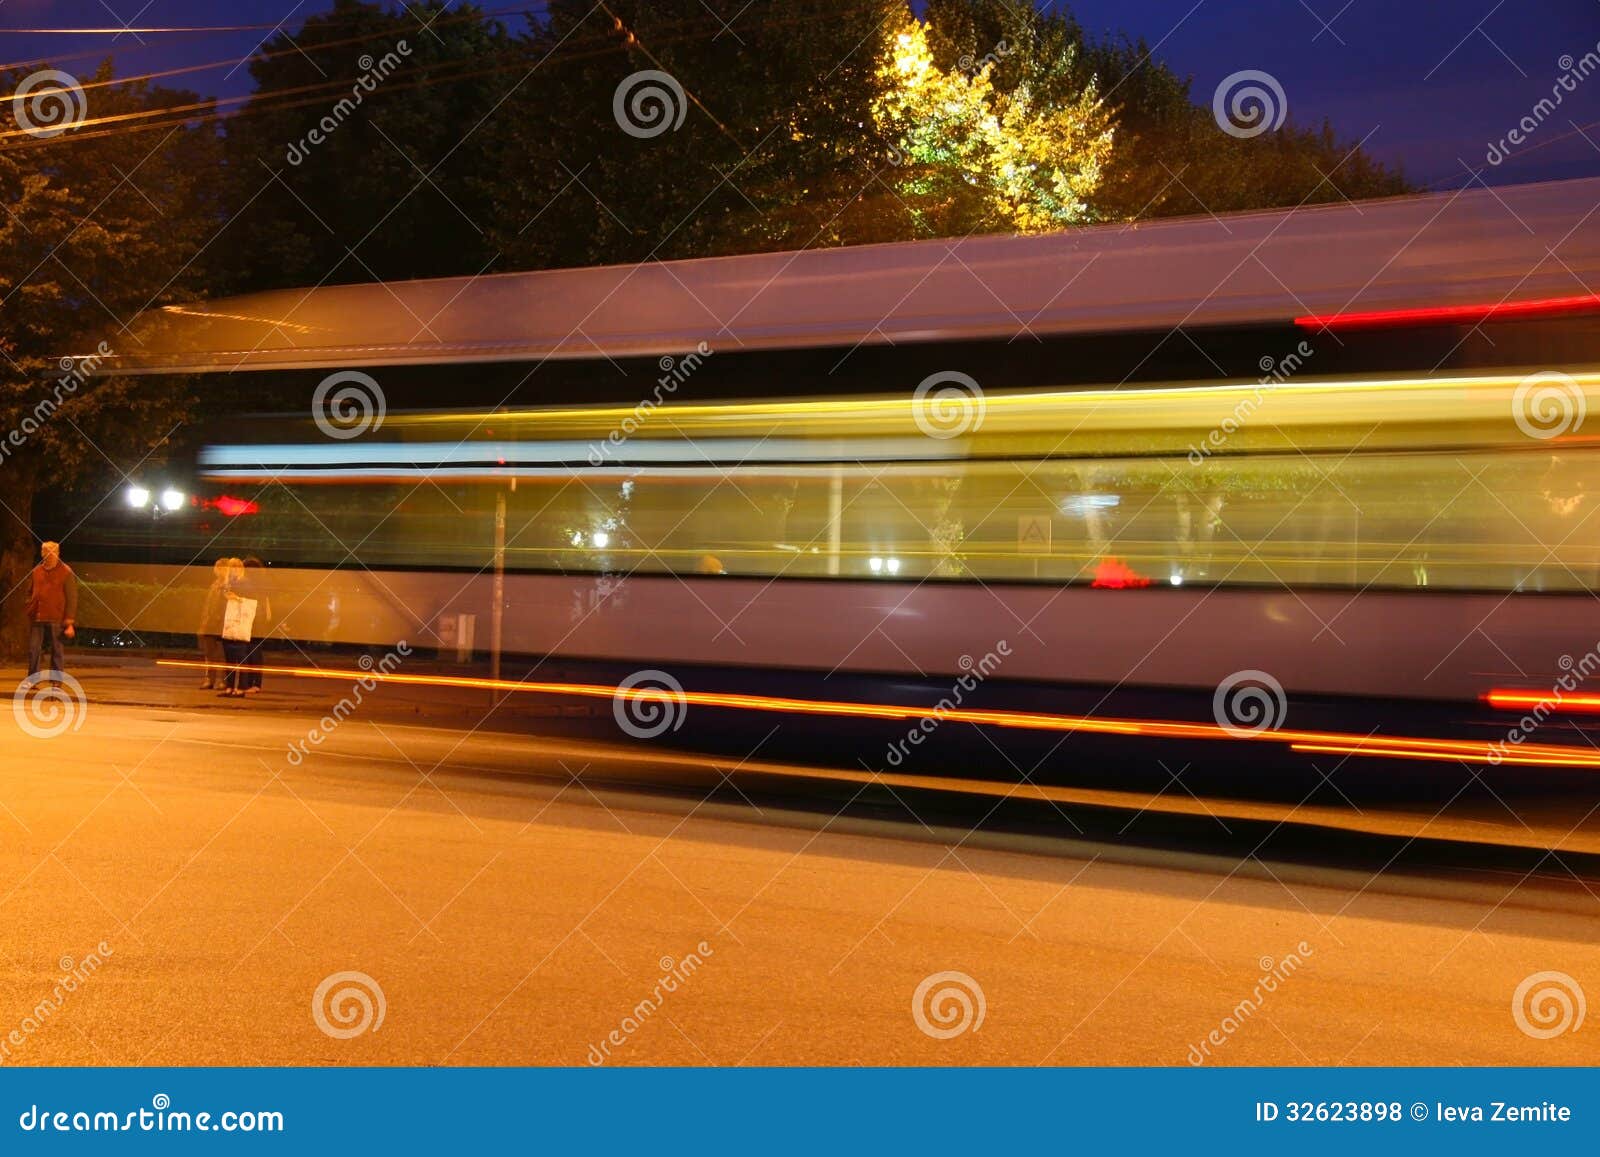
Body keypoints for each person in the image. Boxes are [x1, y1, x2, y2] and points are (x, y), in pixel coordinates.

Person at [25, 541, 77, 681]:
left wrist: (69, 619)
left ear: (58, 553)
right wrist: (29, 605)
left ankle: (56, 680)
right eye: (46, 552)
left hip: (57, 616)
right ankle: (32, 679)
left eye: (53, 552)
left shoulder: (66, 571)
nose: (49, 555)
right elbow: (30, 591)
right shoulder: (36, 571)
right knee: (34, 649)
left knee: (57, 649)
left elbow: (72, 596)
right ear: (42, 553)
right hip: (38, 615)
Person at [218, 558, 255, 698]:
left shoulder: (245, 582)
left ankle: (241, 688)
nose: (232, 570)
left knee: (240, 657)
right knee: (229, 657)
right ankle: (229, 686)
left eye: (235, 567)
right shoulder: (228, 583)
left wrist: (237, 598)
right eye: (231, 567)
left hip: (239, 623)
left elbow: (251, 600)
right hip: (229, 623)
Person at [239, 556, 272, 695]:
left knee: (251, 651)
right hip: (259, 618)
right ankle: (254, 683)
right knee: (255, 651)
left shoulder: (248, 583)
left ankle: (253, 683)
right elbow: (266, 600)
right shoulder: (262, 582)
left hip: (252, 618)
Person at [197, 559, 229, 689]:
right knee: (209, 653)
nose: (216, 570)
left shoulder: (228, 585)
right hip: (210, 623)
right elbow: (208, 605)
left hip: (222, 624)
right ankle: (210, 679)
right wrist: (204, 622)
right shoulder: (215, 584)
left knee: (222, 654)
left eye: (219, 568)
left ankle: (223, 680)